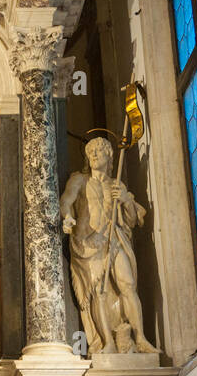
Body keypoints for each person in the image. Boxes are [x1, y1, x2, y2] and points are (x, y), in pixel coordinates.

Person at [60, 136, 155, 354]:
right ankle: (107, 343)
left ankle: (140, 338)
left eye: (99, 151)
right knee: (98, 292)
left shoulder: (117, 184)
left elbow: (131, 220)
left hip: (114, 238)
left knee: (128, 285)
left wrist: (125, 200)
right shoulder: (79, 180)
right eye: (90, 151)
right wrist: (68, 218)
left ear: (109, 156)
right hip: (89, 243)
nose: (93, 155)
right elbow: (66, 201)